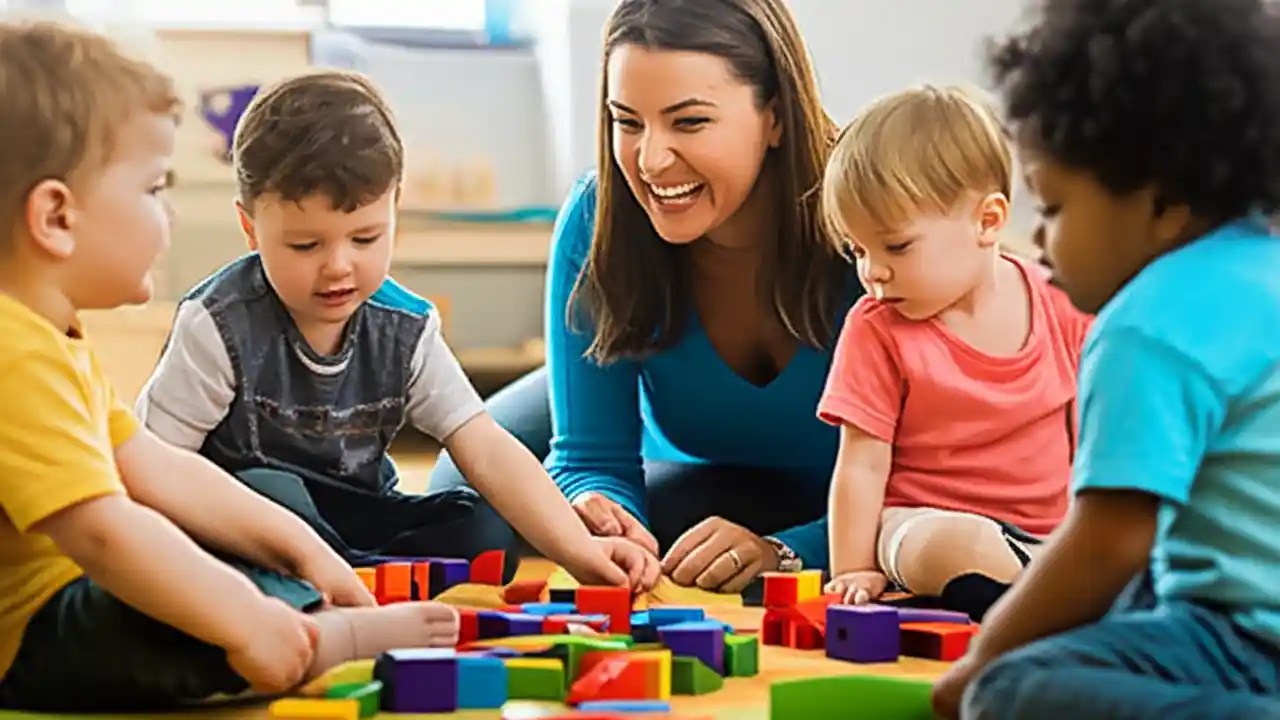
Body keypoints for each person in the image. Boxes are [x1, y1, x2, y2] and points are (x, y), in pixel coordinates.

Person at [0, 20, 464, 712]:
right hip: (29, 636)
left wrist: (305, 552)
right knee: (170, 599)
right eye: (155, 189)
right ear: (57, 217)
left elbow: (158, 469)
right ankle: (318, 640)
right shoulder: (15, 356)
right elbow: (102, 529)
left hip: (74, 593)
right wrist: (248, 622)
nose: (171, 215)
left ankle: (302, 618)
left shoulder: (49, 337)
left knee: (213, 570)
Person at [134, 70, 660, 592]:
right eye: (305, 246)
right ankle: (315, 573)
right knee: (273, 493)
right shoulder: (217, 324)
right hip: (252, 518)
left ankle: (344, 576)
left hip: (360, 515)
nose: (338, 266)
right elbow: (154, 467)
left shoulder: (405, 326)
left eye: (365, 238)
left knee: (485, 530)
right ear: (251, 229)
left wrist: (576, 547)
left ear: (394, 213)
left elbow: (482, 446)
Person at [429, 0, 861, 592]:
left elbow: (942, 479)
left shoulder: (866, 221)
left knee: (704, 515)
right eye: (627, 123)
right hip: (678, 447)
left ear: (777, 116)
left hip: (838, 483)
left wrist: (792, 550)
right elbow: (590, 458)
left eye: (689, 123)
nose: (651, 160)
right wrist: (605, 513)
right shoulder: (598, 218)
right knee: (459, 491)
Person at [931, 0, 1280, 717]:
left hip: (1242, 639)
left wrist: (984, 655)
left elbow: (1110, 538)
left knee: (1010, 689)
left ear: (1163, 203)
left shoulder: (1146, 323)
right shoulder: (1262, 271)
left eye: (1053, 209)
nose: (1040, 244)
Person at [816, 85, 1092, 620]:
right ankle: (1031, 603)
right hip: (923, 527)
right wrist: (850, 567)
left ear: (988, 221)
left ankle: (1040, 596)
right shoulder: (876, 328)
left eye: (895, 246)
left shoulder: (1060, 302)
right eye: (857, 250)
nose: (871, 271)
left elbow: (1091, 431)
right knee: (955, 546)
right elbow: (861, 463)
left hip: (1048, 539)